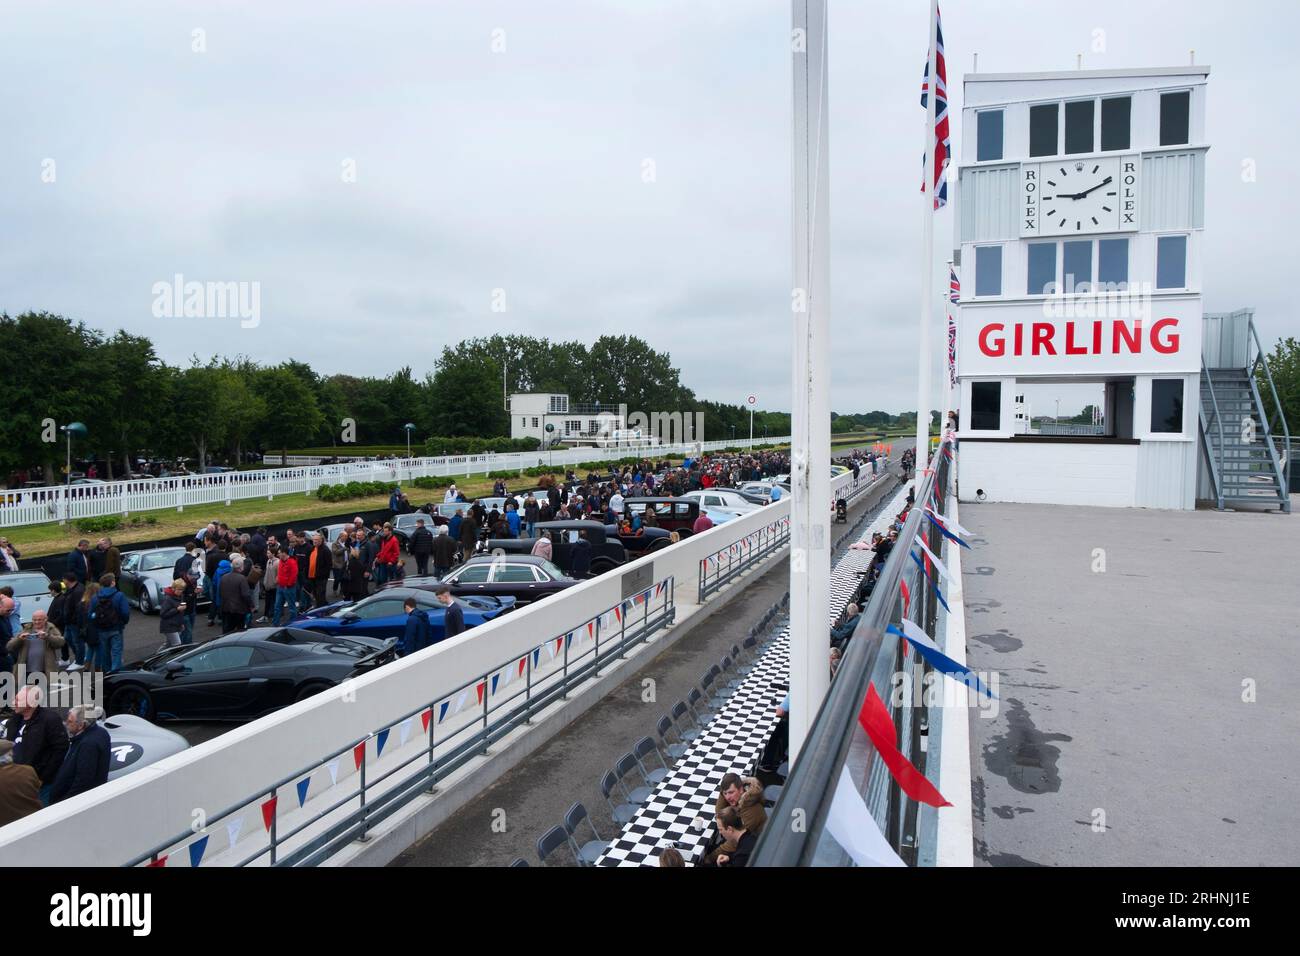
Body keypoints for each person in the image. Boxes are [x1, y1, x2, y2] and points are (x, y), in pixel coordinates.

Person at [4, 686, 68, 805]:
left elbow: (60, 750)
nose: (13, 703)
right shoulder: (15, 719)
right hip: (17, 781)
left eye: (18, 700)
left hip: (40, 784)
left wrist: (42, 778)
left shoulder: (50, 720)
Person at [49, 706, 111, 804]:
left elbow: (83, 781)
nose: (66, 724)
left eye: (70, 722)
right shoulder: (101, 732)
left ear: (81, 725)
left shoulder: (88, 745)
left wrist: (63, 804)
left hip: (70, 803)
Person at [704, 773, 766, 864]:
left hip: (757, 852)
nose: (728, 797)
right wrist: (723, 790)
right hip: (742, 845)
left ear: (741, 790)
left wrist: (709, 858)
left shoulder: (752, 808)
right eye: (725, 793)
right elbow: (720, 814)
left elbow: (734, 843)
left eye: (731, 792)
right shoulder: (740, 799)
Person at [7, 610, 66, 684]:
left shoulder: (51, 629)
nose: (37, 622)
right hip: (26, 671)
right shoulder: (26, 629)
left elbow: (61, 642)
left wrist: (48, 637)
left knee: (43, 693)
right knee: (27, 694)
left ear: (45, 619)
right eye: (34, 620)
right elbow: (9, 646)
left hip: (45, 670)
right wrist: (19, 639)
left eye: (39, 620)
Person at [88, 573, 130, 673]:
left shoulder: (95, 598)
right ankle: (115, 675)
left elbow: (90, 615)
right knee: (116, 653)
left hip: (101, 629)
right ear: (112, 583)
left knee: (105, 653)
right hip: (116, 628)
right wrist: (123, 623)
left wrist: (96, 623)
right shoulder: (119, 595)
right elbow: (125, 613)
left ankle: (107, 674)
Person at [0, 739, 42, 827]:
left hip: (6, 830)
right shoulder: (28, 770)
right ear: (10, 754)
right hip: (34, 822)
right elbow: (37, 789)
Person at [219, 557, 253, 634]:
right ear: (241, 567)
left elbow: (220, 592)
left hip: (225, 608)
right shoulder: (242, 578)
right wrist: (251, 605)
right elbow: (246, 594)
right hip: (239, 609)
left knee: (226, 631)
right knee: (239, 632)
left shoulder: (224, 577)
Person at [273, 546, 299, 625]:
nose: (278, 554)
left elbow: (294, 575)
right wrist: (278, 578)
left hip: (288, 588)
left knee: (291, 607)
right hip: (280, 587)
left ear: (284, 553)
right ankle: (275, 624)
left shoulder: (292, 562)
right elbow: (280, 572)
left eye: (279, 553)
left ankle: (293, 624)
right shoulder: (281, 560)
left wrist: (288, 584)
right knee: (277, 607)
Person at [159, 579, 187, 648]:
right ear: (173, 588)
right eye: (179, 589)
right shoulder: (168, 599)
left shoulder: (180, 596)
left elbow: (180, 613)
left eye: (182, 589)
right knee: (177, 645)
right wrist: (177, 609)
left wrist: (181, 623)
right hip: (169, 626)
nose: (181, 591)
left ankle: (157, 656)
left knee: (168, 644)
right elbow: (163, 614)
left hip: (176, 625)